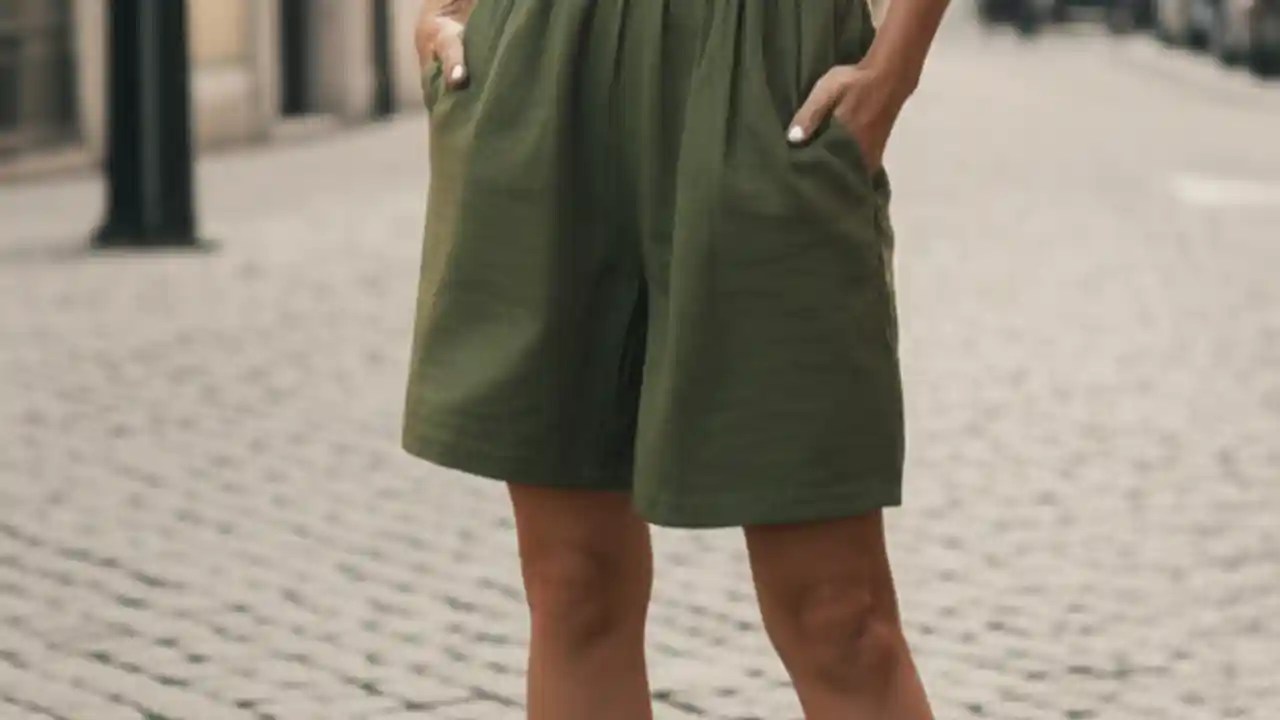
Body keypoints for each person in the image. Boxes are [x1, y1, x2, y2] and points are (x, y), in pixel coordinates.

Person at [403, 0, 947, 717]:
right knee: (573, 586)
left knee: (838, 616)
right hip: (547, 56)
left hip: (769, 63)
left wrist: (895, 68)